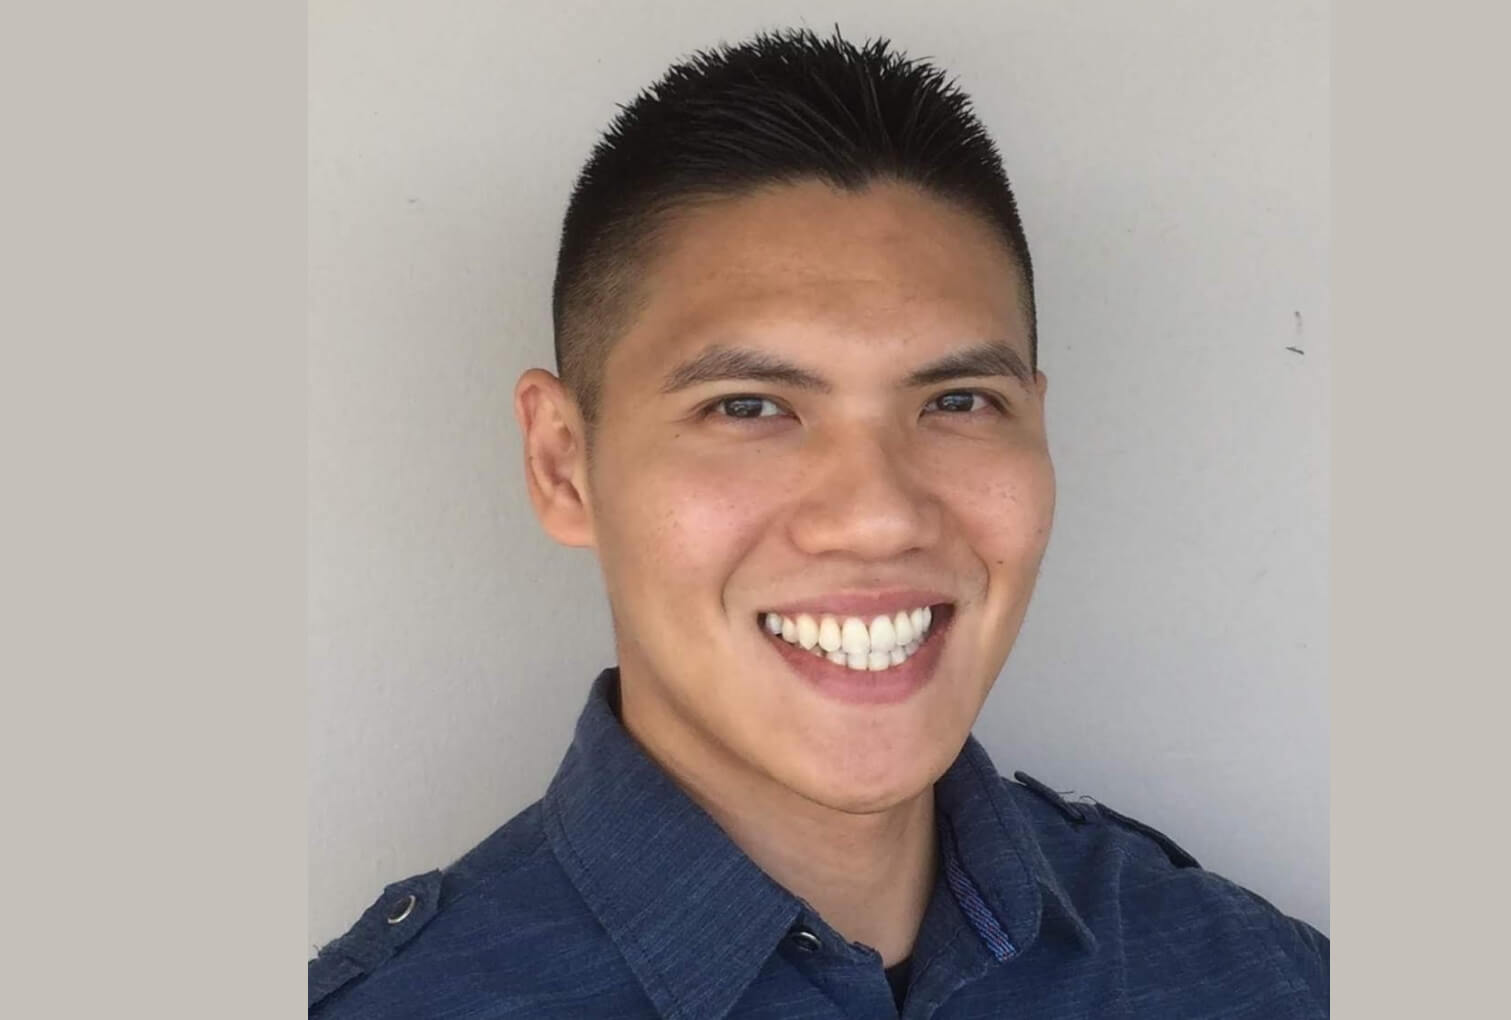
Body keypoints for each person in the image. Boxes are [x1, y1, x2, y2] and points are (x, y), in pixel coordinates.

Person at [309, 25, 1328, 1019]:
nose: (878, 517)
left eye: (958, 401)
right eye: (748, 407)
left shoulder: (1256, 979)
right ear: (563, 464)